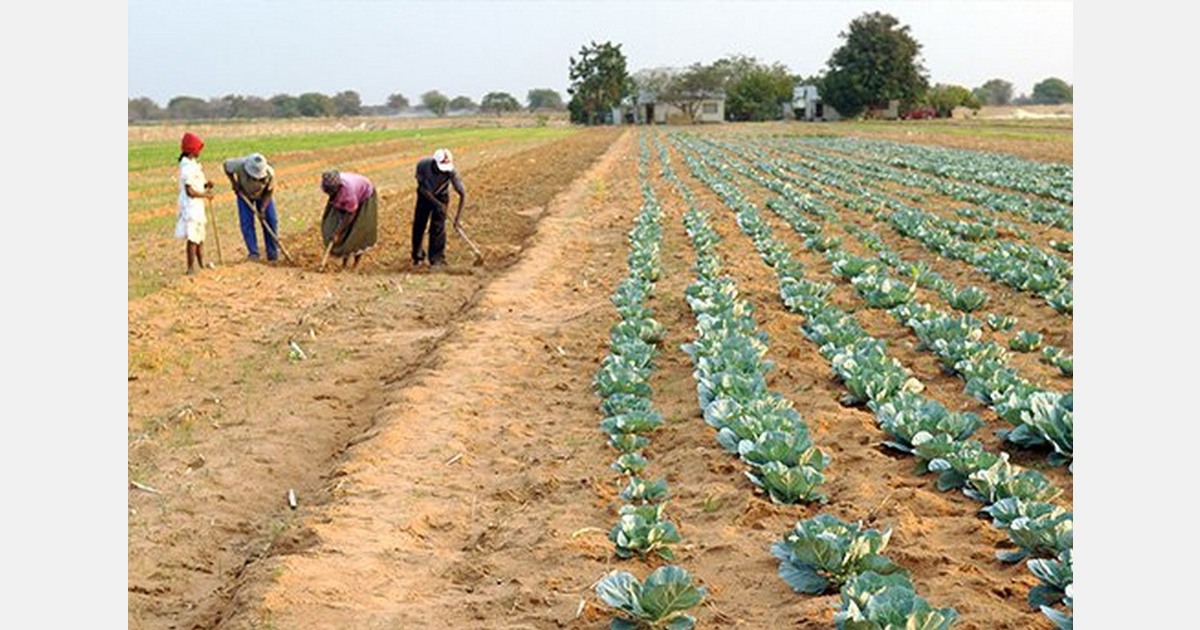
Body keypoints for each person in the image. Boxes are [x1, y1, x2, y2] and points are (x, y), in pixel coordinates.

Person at [411, 148, 466, 267]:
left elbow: (462, 194)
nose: (443, 172)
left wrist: (457, 219)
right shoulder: (423, 166)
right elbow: (423, 189)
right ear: (434, 163)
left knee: (438, 227)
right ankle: (418, 256)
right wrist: (437, 204)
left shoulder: (451, 171)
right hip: (424, 196)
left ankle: (437, 259)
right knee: (419, 225)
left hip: (442, 196)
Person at [223, 152, 279, 262]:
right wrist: (234, 183)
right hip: (244, 195)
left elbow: (270, 191)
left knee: (271, 220)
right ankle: (253, 253)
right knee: (246, 222)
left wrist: (262, 209)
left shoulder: (270, 173)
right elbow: (226, 166)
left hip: (263, 196)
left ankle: (272, 253)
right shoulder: (239, 164)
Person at [320, 170, 379, 269]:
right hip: (350, 196)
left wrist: (338, 233)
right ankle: (344, 261)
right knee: (333, 225)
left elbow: (350, 215)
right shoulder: (330, 186)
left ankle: (355, 265)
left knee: (357, 232)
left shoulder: (348, 193)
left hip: (364, 197)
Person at [175, 132, 215, 275]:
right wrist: (205, 195)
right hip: (190, 206)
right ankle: (190, 267)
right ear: (192, 150)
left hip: (198, 206)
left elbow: (198, 185)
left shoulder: (194, 165)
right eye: (198, 149)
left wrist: (206, 185)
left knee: (200, 236)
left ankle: (201, 265)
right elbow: (190, 191)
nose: (200, 151)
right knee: (193, 237)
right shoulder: (186, 167)